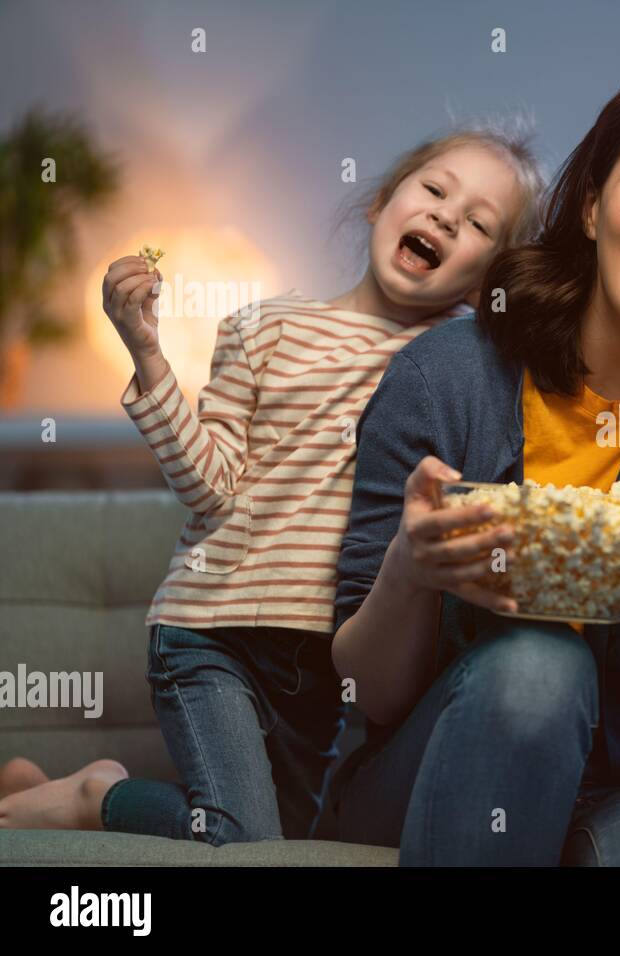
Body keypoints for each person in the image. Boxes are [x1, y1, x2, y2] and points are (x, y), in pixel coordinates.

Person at [0, 128, 544, 845]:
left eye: (478, 223)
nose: (446, 217)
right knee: (238, 836)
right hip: (213, 632)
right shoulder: (266, 328)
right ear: (381, 203)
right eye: (435, 191)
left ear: (485, 278)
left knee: (279, 846)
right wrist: (146, 352)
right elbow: (211, 486)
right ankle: (94, 795)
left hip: (327, 663)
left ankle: (38, 790)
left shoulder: (458, 369)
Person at [328, 70, 620, 866]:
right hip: (436, 761)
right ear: (591, 206)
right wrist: (410, 570)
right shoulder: (445, 375)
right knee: (540, 663)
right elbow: (366, 694)